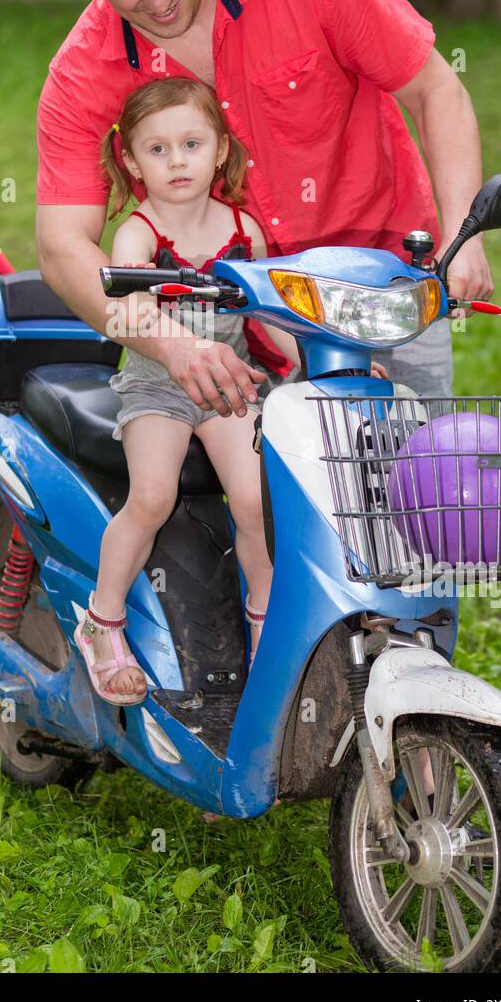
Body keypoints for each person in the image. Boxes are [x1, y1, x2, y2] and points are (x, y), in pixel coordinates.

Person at [35, 0, 494, 411]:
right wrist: (175, 347)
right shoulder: (80, 72)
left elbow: (436, 91)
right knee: (258, 497)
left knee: (411, 482)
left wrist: (463, 240)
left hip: (380, 284)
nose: (157, 1)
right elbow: (62, 248)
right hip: (220, 327)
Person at [75, 77, 386, 704]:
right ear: (131, 161)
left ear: (219, 149)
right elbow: (128, 309)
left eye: (191, 143)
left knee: (254, 502)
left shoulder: (244, 229)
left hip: (227, 387)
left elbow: (276, 311)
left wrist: (335, 360)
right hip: (156, 387)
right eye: (156, 150)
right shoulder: (136, 233)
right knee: (153, 496)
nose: (176, 161)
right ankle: (101, 622)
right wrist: (143, 311)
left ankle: (265, 628)